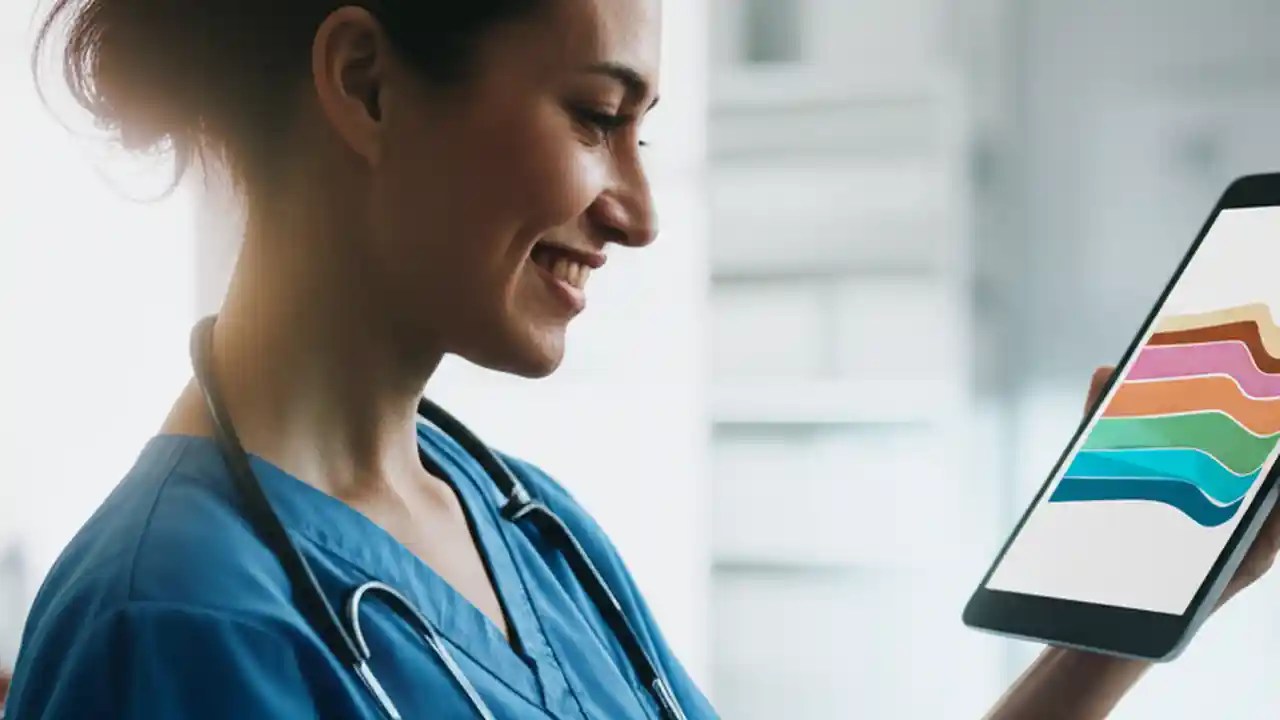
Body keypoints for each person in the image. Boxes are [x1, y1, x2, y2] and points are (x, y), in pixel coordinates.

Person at [6, 1, 1280, 718]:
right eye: (596, 119)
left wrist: (1112, 636)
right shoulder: (175, 629)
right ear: (367, 85)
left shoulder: (530, 531)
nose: (638, 210)